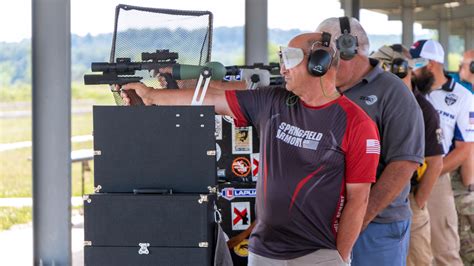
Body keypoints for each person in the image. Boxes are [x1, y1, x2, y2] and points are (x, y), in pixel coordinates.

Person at [120, 32, 381, 265]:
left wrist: (339, 256)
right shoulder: (273, 101)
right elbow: (210, 98)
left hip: (318, 255)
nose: (283, 67)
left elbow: (359, 200)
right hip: (264, 251)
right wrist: (150, 96)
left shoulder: (356, 124)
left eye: (290, 58)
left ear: (319, 64)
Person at [316, 17, 425, 266]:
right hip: (323, 223)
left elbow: (404, 164)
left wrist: (359, 218)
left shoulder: (394, 93)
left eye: (325, 53)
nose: (321, 63)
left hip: (375, 226)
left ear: (348, 48)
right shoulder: (321, 88)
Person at [371, 44, 444, 266]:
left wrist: (418, 202)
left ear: (400, 69)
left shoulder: (423, 109)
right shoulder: (379, 101)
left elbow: (435, 163)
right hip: (377, 196)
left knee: (419, 260)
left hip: (407, 198)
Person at [410, 39, 474, 266]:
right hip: (402, 177)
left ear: (431, 64)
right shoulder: (409, 89)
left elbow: (464, 148)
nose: (411, 69)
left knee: (443, 251)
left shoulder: (463, 97)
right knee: (412, 251)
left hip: (437, 179)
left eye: (416, 63)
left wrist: (428, 173)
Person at [453, 49, 474, 265]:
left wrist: (469, 186)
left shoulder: (469, 99)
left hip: (468, 188)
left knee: (466, 250)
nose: (460, 68)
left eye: (464, 64)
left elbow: (469, 148)